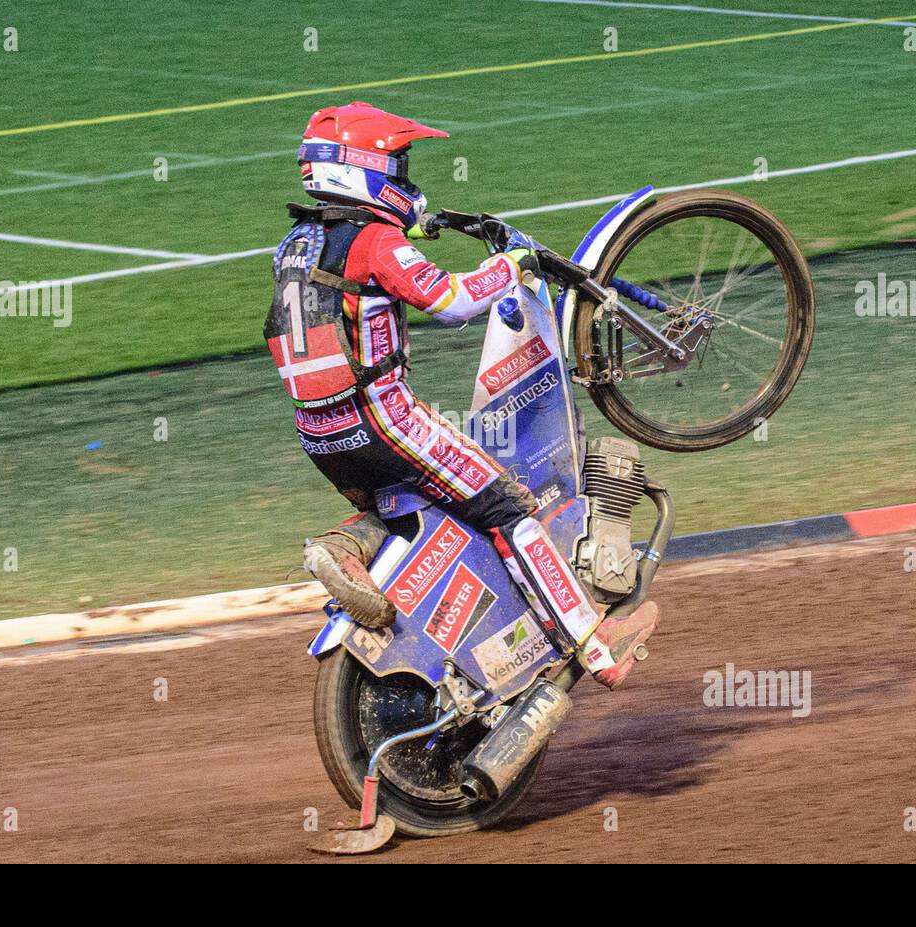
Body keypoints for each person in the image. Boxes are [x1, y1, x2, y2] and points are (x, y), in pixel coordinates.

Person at [265, 101, 657, 689]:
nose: (404, 176)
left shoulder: (296, 241)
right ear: (359, 169)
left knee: (405, 502)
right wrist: (511, 267)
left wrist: (411, 229)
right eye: (396, 164)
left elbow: (352, 271)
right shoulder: (374, 241)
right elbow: (451, 303)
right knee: (505, 505)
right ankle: (593, 641)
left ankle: (342, 547)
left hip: (320, 432)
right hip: (384, 420)